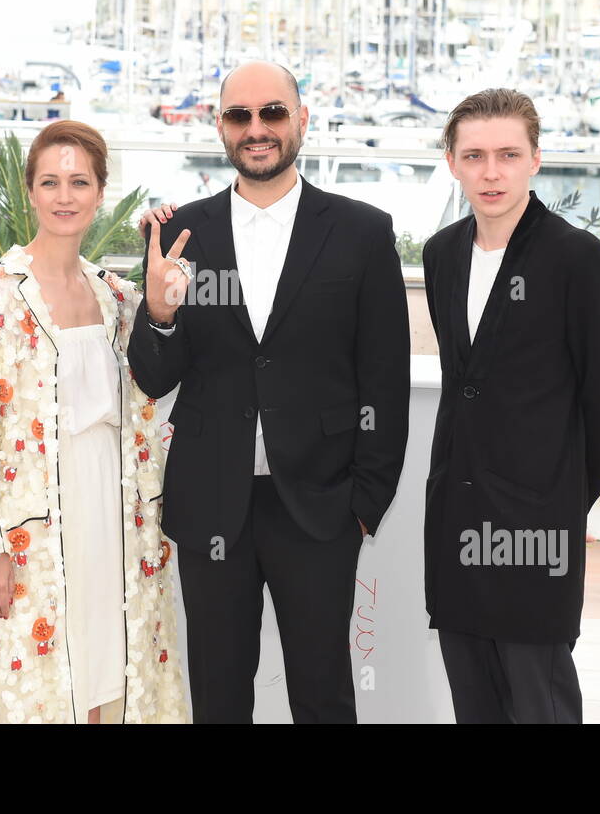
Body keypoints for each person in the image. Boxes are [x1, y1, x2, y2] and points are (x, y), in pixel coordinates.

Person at [128, 60, 410, 723]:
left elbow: (385, 378)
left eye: (273, 112)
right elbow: (152, 374)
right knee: (219, 698)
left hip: (319, 507)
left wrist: (364, 503)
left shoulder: (363, 232)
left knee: (323, 695)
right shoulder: (178, 233)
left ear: (301, 119)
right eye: (240, 116)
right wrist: (161, 313)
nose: (257, 129)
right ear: (221, 127)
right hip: (210, 506)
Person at [0, 120, 188, 724]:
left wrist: (164, 238)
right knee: (47, 679)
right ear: (30, 191)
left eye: (79, 182)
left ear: (100, 192)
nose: (64, 196)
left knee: (118, 669)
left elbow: (159, 354)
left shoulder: (115, 296)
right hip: (36, 527)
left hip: (117, 517)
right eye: (50, 182)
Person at [421, 88, 600, 723]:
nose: (492, 172)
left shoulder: (574, 258)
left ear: (536, 160)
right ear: (453, 163)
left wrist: (562, 498)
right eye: (475, 155)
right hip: (456, 519)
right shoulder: (442, 255)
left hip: (535, 531)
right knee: (474, 703)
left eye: (509, 155)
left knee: (539, 704)